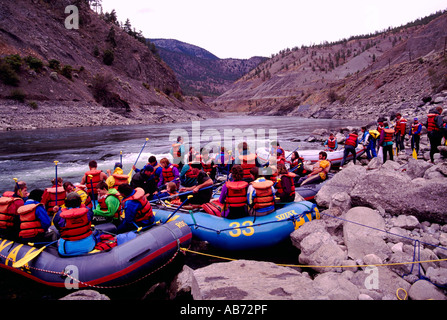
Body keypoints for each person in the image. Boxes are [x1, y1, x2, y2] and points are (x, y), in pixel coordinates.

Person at [53, 192, 96, 257]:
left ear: (66, 203)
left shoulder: (60, 215)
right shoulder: (87, 211)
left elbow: (57, 227)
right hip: (88, 247)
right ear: (79, 202)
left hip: (67, 251)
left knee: (58, 236)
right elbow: (91, 219)